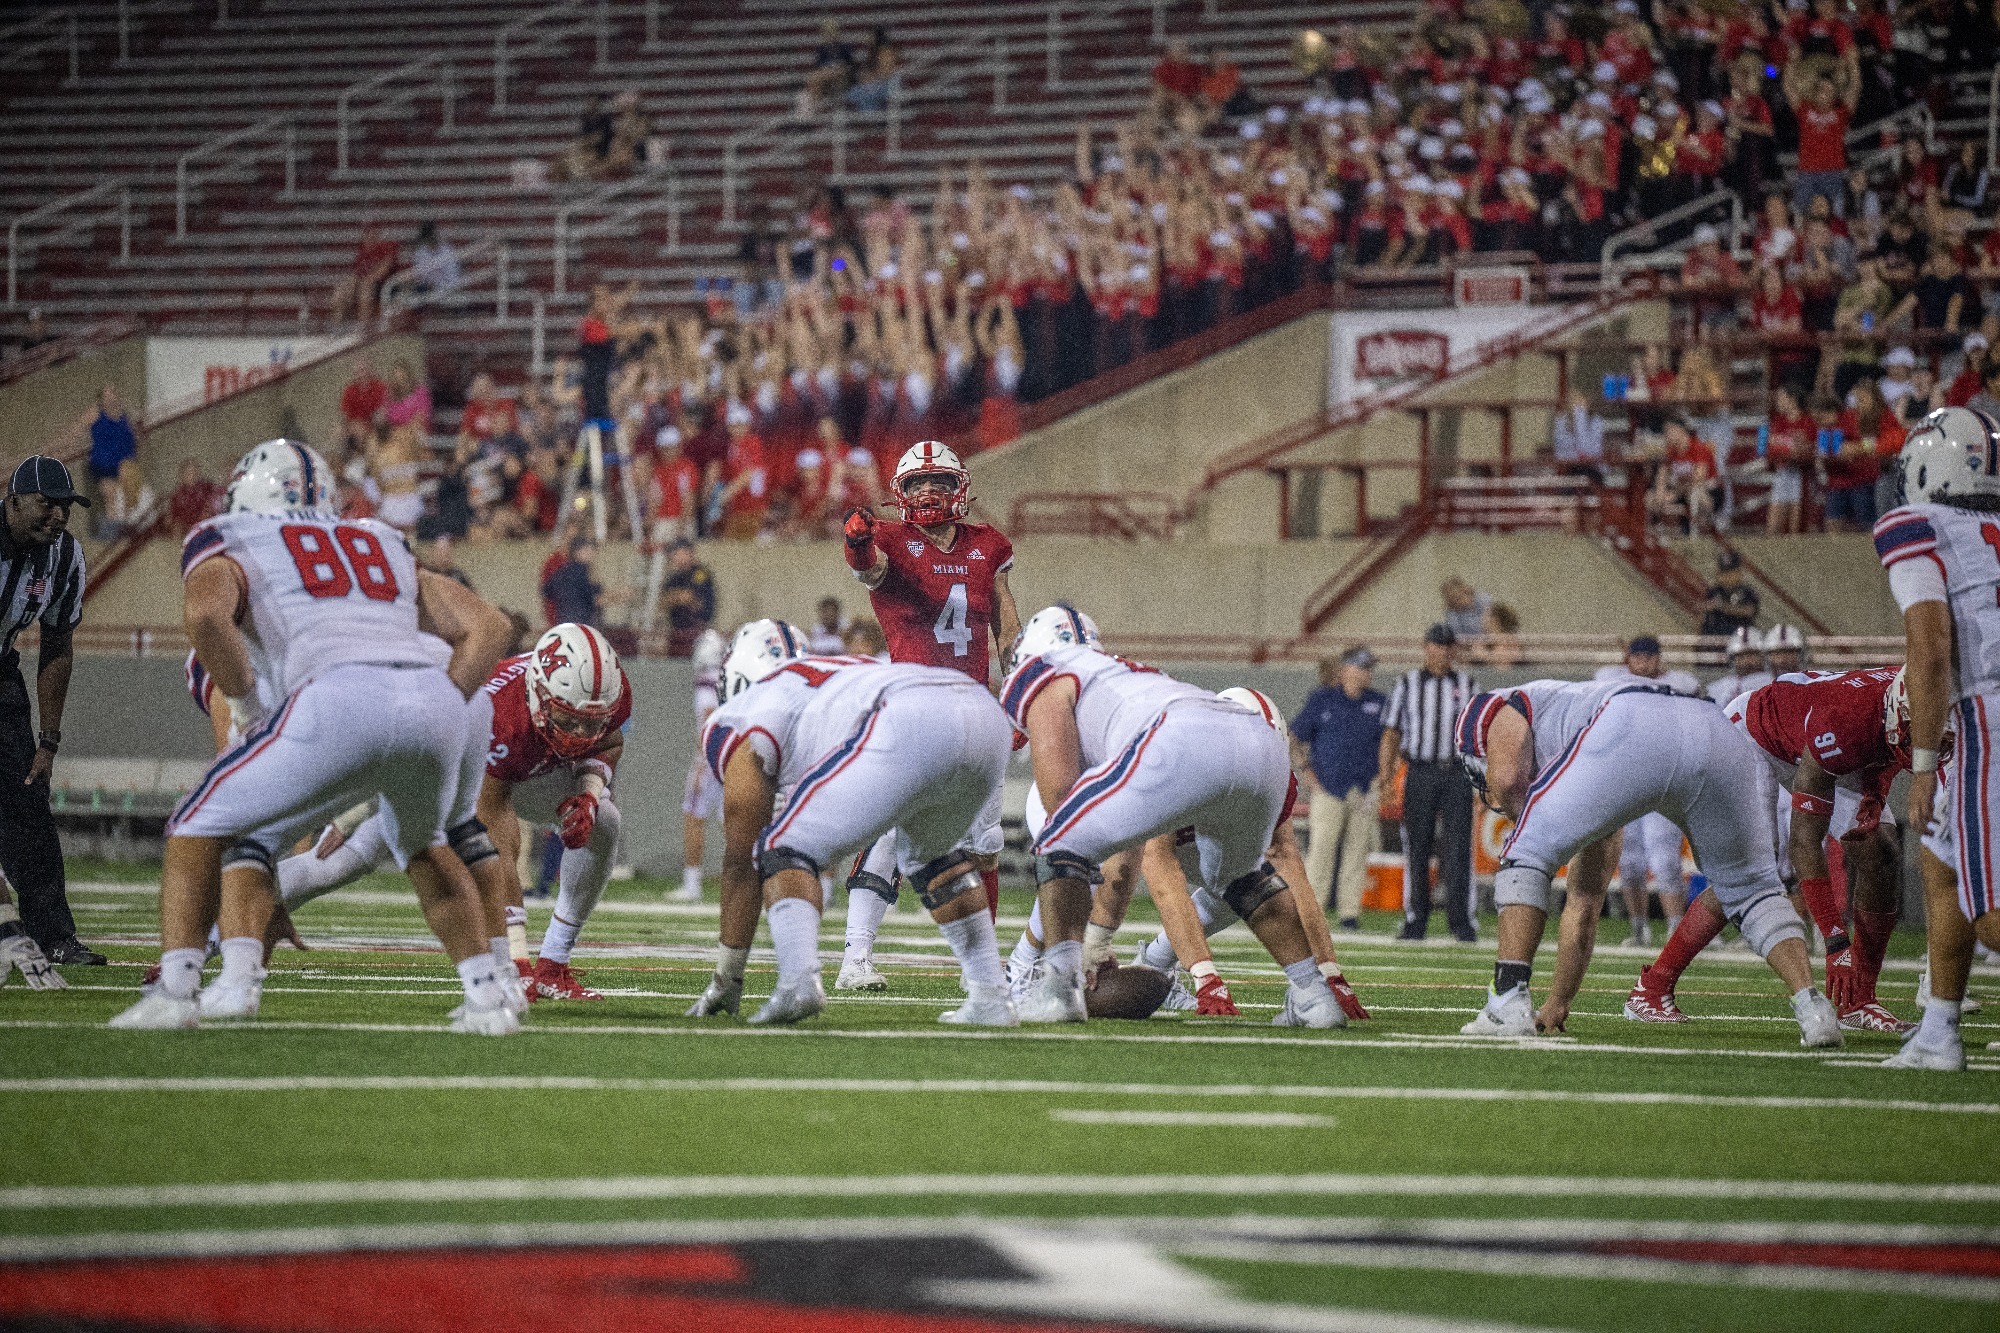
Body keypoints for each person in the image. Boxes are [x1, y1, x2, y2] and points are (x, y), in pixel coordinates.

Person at [109, 440, 516, 1032]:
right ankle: (487, 998)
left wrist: (247, 703)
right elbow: (491, 625)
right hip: (430, 699)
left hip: (335, 698)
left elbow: (203, 616)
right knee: (424, 842)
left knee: (198, 820)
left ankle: (176, 990)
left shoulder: (228, 535)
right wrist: (447, 703)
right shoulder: (381, 538)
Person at [1452, 678, 1839, 1045]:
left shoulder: (1497, 706)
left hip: (1632, 724)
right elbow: (1584, 903)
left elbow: (1504, 777)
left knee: (1522, 850)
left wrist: (1520, 821)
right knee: (1752, 886)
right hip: (1713, 727)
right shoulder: (1584, 761)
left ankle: (1506, 1000)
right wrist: (1559, 1003)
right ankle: (1813, 1009)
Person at [1001, 613, 1342, 1027]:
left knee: (1060, 839)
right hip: (1260, 746)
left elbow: (1060, 797)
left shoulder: (1044, 672)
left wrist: (1087, 937)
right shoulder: (1120, 672)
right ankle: (1313, 996)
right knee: (1242, 877)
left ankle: (1057, 987)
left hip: (1181, 739)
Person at [686, 620, 1016, 1026]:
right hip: (980, 710)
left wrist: (728, 977)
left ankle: (797, 982)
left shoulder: (742, 712)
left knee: (780, 846)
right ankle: (990, 996)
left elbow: (741, 857)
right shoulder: (829, 675)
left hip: (910, 719)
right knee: (934, 858)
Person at [1628, 667, 1915, 1034]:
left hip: (1834, 743)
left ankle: (1859, 1000)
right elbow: (1805, 843)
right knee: (1751, 872)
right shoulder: (1844, 720)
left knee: (1882, 853)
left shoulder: (1922, 698)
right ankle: (1652, 987)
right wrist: (1834, 939)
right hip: (1754, 736)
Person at [835, 440, 1021, 988]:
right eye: (917, 484)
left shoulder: (989, 545)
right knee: (893, 829)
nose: (928, 492)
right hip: (914, 704)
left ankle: (980, 971)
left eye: (939, 481)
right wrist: (859, 545)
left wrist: (1015, 691)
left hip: (975, 708)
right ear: (901, 493)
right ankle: (854, 957)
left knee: (984, 844)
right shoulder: (891, 537)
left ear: (960, 486)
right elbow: (871, 570)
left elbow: (1006, 624)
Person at [1872, 406, 2000, 1069]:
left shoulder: (1915, 524)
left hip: (1986, 715)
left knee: (1992, 916)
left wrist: (1924, 763)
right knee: (1943, 862)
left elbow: (1929, 646)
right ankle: (1938, 1029)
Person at [0, 456, 98, 967]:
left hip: (1, 670)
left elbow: (57, 643)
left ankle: (53, 935)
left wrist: (49, 741)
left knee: (27, 807)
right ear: (12, 500)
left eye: (65, 507)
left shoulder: (62, 558)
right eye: (46, 503)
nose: (58, 515)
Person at [1594, 637, 1701, 948]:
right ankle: (1639, 929)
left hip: (1663, 778)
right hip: (1626, 780)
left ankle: (1675, 930)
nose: (1642, 663)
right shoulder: (1613, 679)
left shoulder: (1680, 683)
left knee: (1664, 858)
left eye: (1647, 657)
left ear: (1658, 658)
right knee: (1629, 861)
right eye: (1636, 657)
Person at [1380, 625, 1479, 942]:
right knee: (1417, 847)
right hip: (1420, 771)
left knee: (1459, 847)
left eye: (1447, 646)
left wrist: (1481, 777)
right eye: (1436, 646)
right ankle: (1415, 919)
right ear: (1426, 648)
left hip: (1456, 773)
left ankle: (1462, 922)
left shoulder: (1467, 684)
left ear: (1454, 650)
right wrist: (1385, 777)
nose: (1441, 652)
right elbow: (1392, 732)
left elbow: (1478, 735)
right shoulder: (1408, 683)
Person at [1290, 647, 1385, 931]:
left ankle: (1349, 913)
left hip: (1365, 789)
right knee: (1321, 850)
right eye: (1360, 667)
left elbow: (1391, 742)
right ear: (1346, 670)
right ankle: (1312, 910)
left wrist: (1381, 779)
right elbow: (1295, 735)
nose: (1365, 673)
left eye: (1368, 668)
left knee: (1357, 852)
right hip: (1328, 788)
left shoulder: (1379, 702)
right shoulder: (1323, 699)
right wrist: (1306, 770)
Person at [673, 628, 727, 904]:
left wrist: (701, 759)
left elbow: (708, 717)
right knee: (733, 821)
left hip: (710, 755)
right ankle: (749, 877)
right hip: (730, 755)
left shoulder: (707, 681)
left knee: (694, 816)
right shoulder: (728, 677)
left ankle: (692, 884)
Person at [81, 385, 140, 538]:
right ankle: (112, 533)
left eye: (112, 394)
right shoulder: (96, 413)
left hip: (125, 461)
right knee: (110, 495)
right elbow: (76, 430)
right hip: (104, 463)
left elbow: (133, 433)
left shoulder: (125, 413)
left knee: (128, 496)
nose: (110, 399)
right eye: (106, 396)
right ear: (101, 399)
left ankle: (124, 529)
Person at [660, 538, 715, 654]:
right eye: (675, 554)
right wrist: (677, 597)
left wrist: (675, 597)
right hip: (676, 631)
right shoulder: (674, 577)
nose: (677, 557)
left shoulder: (700, 573)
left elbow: (689, 597)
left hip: (695, 632)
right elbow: (663, 601)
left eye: (681, 553)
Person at [541, 537, 603, 628]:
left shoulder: (561, 572)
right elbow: (595, 599)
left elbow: (546, 591)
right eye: (588, 550)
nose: (592, 554)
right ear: (578, 551)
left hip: (563, 623)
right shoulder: (582, 571)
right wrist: (619, 596)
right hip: (582, 624)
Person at [1699, 549, 1761, 638]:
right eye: (1724, 573)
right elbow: (1702, 615)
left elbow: (1749, 611)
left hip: (1740, 639)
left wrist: (1721, 606)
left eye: (1731, 572)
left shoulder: (1748, 592)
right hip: (1715, 639)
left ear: (1739, 573)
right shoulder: (1714, 591)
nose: (1727, 577)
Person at [1707, 625, 1772, 706]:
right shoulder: (1719, 687)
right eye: (1741, 656)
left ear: (1762, 656)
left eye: (1751, 654)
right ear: (1733, 659)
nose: (1747, 661)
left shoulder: (1774, 682)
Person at [1550, 393, 1607, 484]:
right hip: (1569, 470)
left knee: (1587, 477)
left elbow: (1588, 450)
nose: (1578, 404)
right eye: (1574, 400)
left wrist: (1580, 416)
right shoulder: (1561, 420)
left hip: (1592, 469)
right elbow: (1560, 453)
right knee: (1572, 480)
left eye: (1581, 401)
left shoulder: (1596, 421)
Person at [166, 457, 224, 536]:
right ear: (182, 475)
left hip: (207, 531)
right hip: (185, 533)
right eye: (188, 473)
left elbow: (211, 512)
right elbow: (174, 518)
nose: (192, 476)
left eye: (194, 472)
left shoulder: (208, 488)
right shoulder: (177, 495)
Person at [1439, 577, 1490, 641]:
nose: (1458, 602)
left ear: (1466, 590)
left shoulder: (1483, 599)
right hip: (1470, 645)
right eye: (1454, 600)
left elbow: (1494, 625)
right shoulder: (1451, 612)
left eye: (1459, 597)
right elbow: (1458, 636)